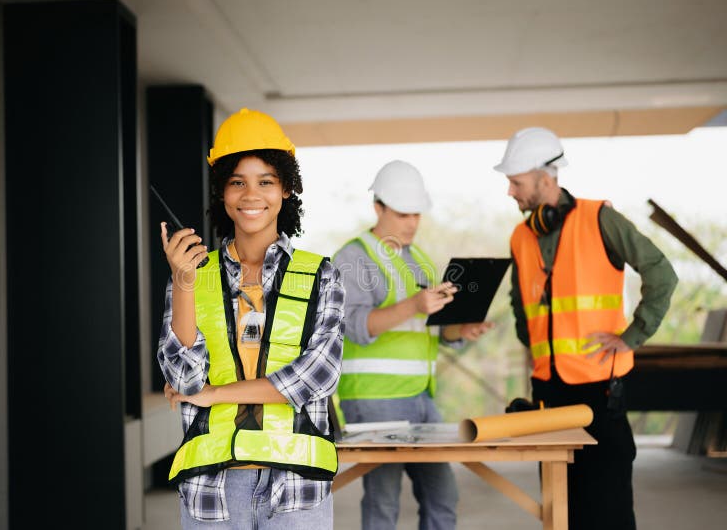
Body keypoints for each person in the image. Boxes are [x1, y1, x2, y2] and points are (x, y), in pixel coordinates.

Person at [157, 108, 345, 529]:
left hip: (297, 488)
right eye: (237, 182)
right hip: (212, 489)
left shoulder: (320, 274)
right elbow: (184, 379)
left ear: (286, 189)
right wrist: (183, 282)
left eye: (266, 181)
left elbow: (317, 377)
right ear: (222, 192)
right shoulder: (192, 273)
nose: (250, 194)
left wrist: (213, 395)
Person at [495, 127, 678, 530]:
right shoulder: (520, 237)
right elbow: (520, 306)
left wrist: (632, 336)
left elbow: (662, 273)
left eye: (516, 182)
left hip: (599, 390)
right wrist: (539, 346)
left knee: (608, 509)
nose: (510, 191)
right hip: (547, 392)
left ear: (545, 178)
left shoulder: (600, 219)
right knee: (561, 510)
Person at [333, 159, 493, 530]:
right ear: (378, 208)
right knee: (384, 502)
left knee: (442, 496)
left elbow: (426, 329)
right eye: (403, 214)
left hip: (421, 398)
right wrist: (414, 305)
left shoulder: (417, 259)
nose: (412, 223)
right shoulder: (353, 257)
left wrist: (459, 330)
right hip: (375, 400)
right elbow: (354, 326)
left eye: (417, 214)